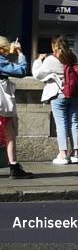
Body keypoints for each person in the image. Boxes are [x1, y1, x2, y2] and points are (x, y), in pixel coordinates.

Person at [32, 37, 78, 165]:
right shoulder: (74, 56)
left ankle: (63, 154)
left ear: (54, 47)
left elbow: (37, 74)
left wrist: (38, 60)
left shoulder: (50, 59)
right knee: (74, 123)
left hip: (59, 95)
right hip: (75, 94)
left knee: (61, 125)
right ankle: (75, 154)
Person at [0, 35, 30, 179]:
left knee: (9, 133)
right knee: (10, 135)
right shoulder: (0, 61)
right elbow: (21, 71)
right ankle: (14, 167)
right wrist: (20, 53)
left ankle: (14, 167)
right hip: (1, 107)